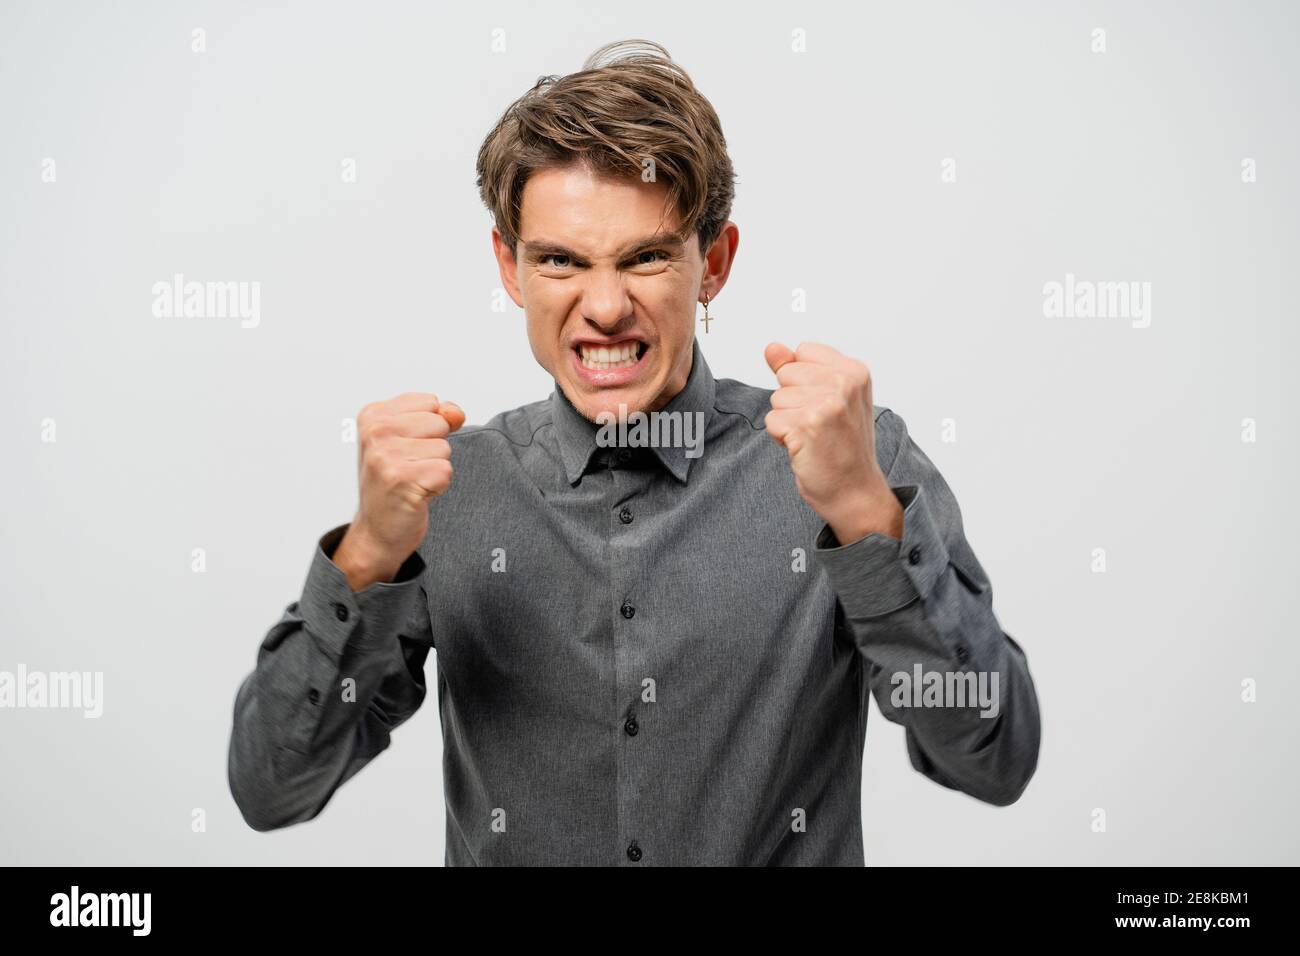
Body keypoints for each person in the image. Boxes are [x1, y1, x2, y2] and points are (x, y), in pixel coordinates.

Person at [228, 38, 1040, 866]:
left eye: (647, 257)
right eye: (560, 261)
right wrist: (366, 556)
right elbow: (273, 788)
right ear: (510, 268)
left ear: (712, 264)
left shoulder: (848, 460)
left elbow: (993, 757)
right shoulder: (449, 494)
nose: (606, 306)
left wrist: (867, 516)